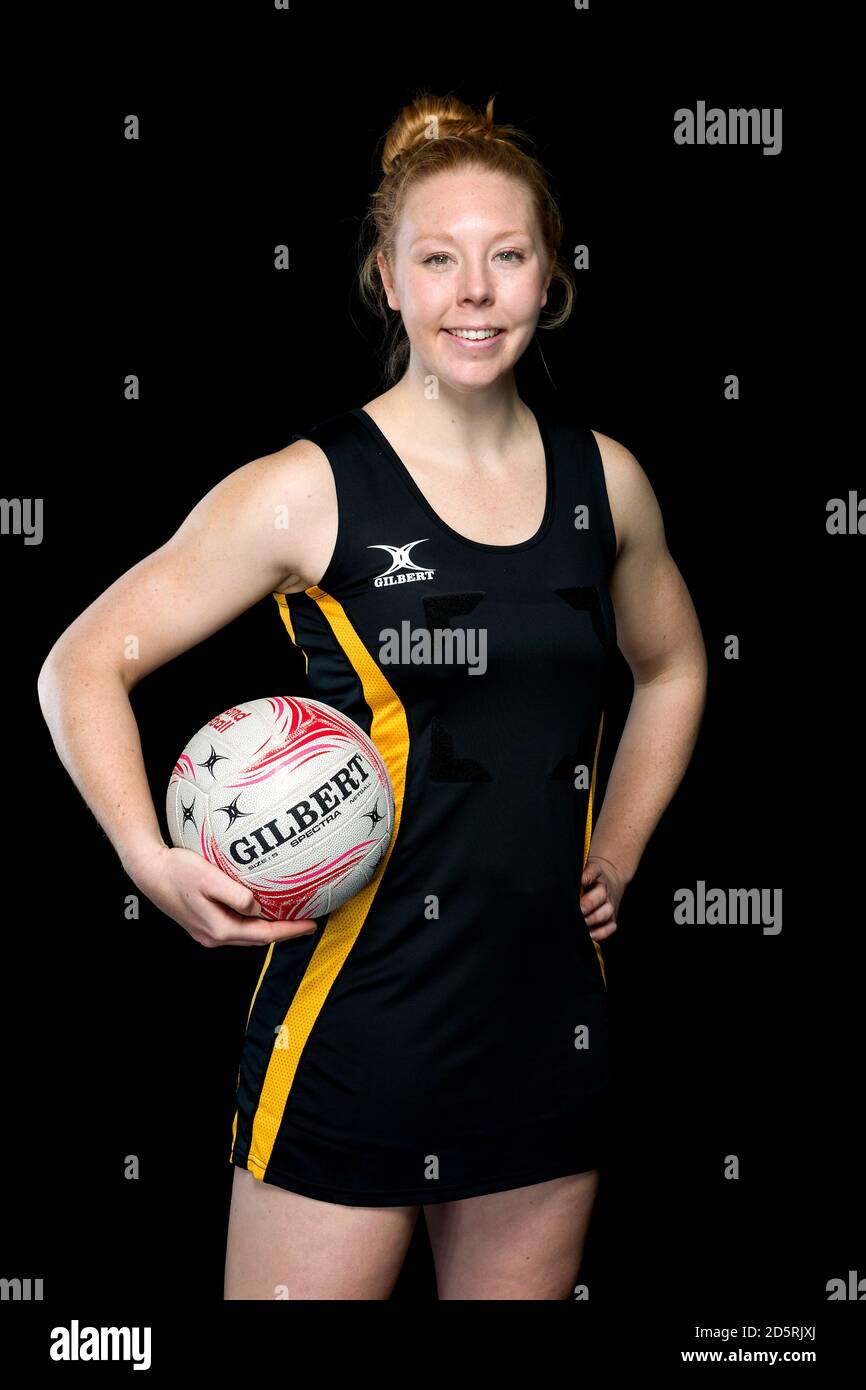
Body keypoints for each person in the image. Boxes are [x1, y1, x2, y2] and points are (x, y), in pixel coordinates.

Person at [38, 91, 707, 1300]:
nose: (474, 290)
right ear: (384, 279)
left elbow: (671, 665)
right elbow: (83, 660)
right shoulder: (307, 489)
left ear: (549, 276)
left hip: (547, 1019)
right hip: (362, 1026)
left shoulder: (602, 480)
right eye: (437, 259)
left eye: (506, 257)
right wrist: (147, 856)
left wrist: (618, 844)